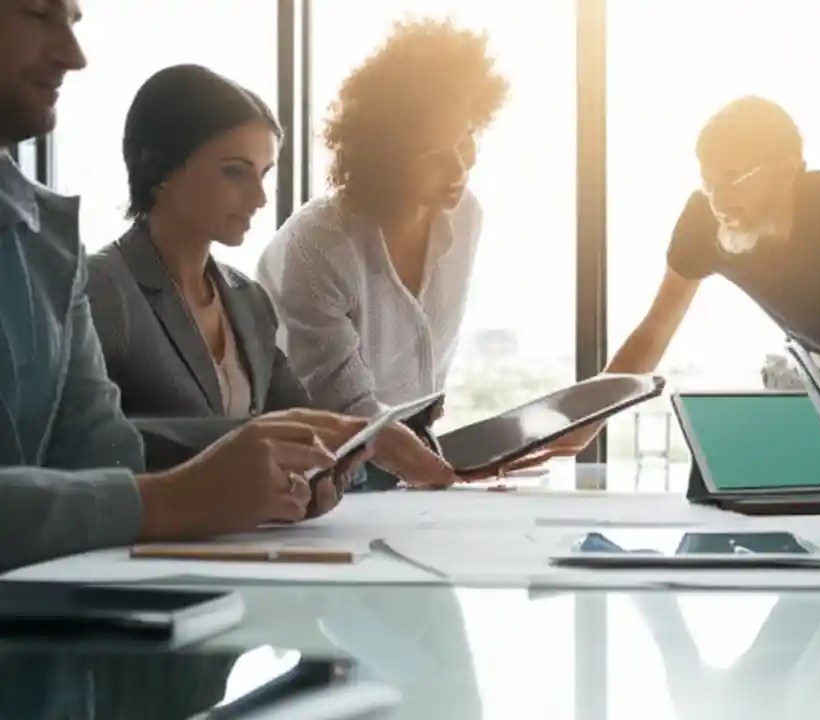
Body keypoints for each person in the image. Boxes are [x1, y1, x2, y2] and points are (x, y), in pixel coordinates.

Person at [0, 0, 366, 572]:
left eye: (72, 20)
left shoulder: (47, 246)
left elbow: (98, 455)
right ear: (162, 168)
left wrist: (299, 468)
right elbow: (132, 472)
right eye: (38, 14)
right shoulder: (104, 284)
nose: (74, 54)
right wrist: (191, 491)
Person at [85, 64, 453, 488]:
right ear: (160, 168)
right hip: (139, 547)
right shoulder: (100, 290)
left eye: (263, 174)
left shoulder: (248, 301)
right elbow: (88, 446)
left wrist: (336, 465)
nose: (259, 197)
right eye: (235, 172)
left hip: (244, 542)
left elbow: (298, 427)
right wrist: (257, 445)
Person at [546, 96, 820, 458]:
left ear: (787, 169)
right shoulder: (703, 219)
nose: (718, 199)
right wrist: (581, 424)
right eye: (708, 181)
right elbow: (653, 333)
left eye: (734, 177)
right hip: (817, 374)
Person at [257, 18, 508, 416]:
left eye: (465, 138)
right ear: (386, 158)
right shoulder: (317, 246)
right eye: (434, 156)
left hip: (403, 451)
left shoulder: (464, 216)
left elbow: (426, 373)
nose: (460, 169)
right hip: (321, 458)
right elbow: (343, 408)